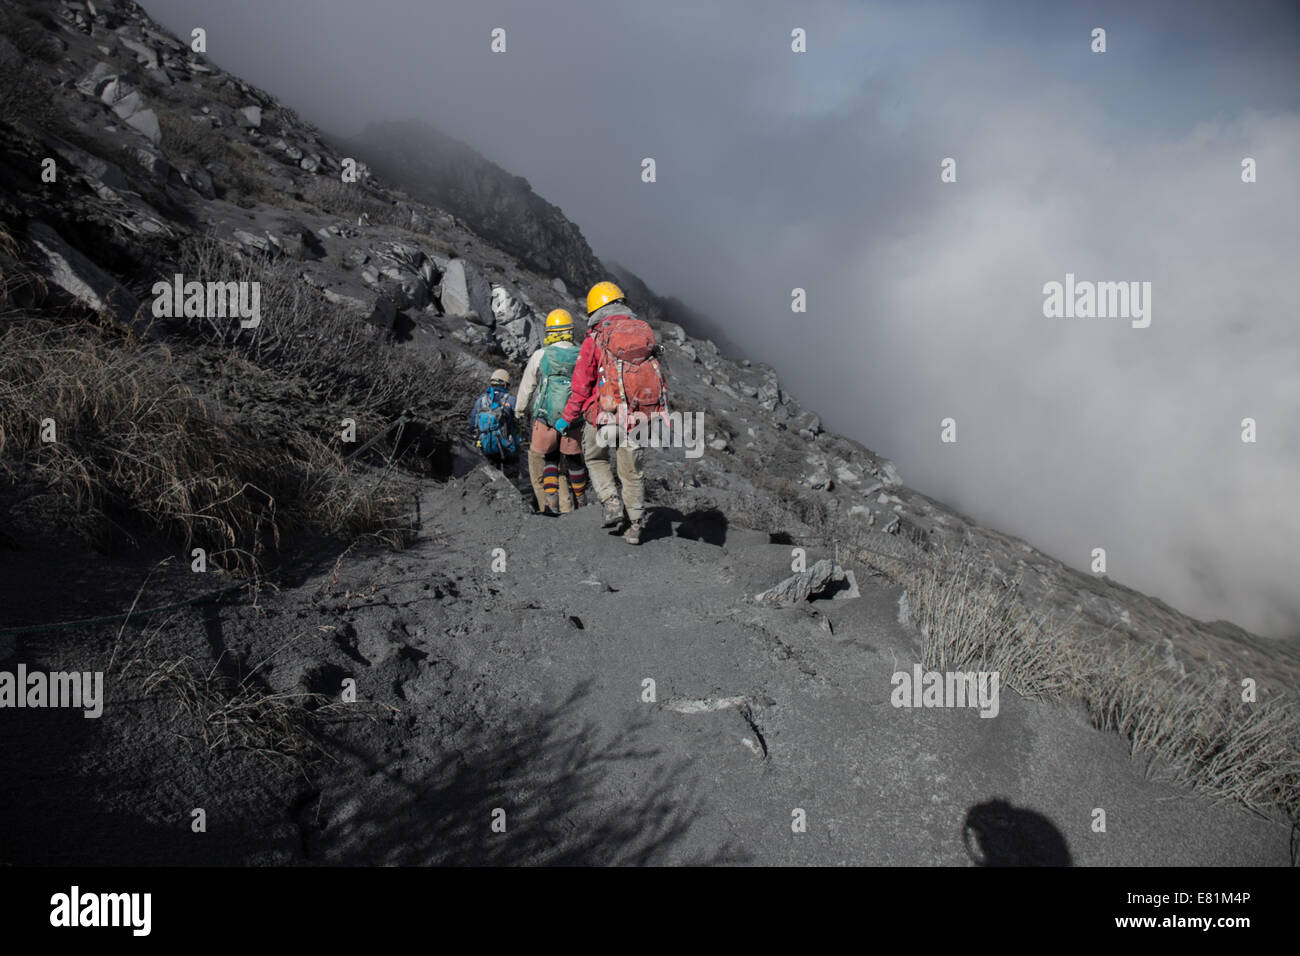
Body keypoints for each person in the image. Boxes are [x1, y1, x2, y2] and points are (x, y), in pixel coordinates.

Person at [554, 281, 666, 545]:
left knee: (595, 458)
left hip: (605, 416)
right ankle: (635, 526)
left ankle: (611, 503)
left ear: (595, 308)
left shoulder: (595, 338)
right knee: (632, 473)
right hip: (639, 416)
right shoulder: (643, 333)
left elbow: (581, 386)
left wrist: (566, 418)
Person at [515, 309, 589, 515]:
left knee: (550, 460)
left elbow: (527, 386)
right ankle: (582, 502)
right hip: (573, 419)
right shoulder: (581, 354)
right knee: (575, 462)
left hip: (545, 418)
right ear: (570, 331)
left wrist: (519, 410)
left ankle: (551, 503)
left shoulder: (541, 355)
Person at [469, 368, 520, 480]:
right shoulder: (511, 400)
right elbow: (518, 420)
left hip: (486, 445)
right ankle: (513, 491)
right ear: (506, 384)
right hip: (507, 445)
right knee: (511, 472)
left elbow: (472, 422)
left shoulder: (481, 400)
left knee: (491, 472)